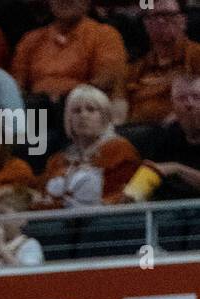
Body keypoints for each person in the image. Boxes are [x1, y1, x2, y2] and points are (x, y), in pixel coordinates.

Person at [34, 85, 140, 208]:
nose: (83, 115)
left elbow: (126, 195)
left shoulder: (120, 150)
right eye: (76, 111)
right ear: (69, 119)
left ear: (105, 116)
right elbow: (42, 197)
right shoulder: (57, 161)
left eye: (91, 109)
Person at [10, 0, 128, 110]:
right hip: (37, 112)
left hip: (83, 111)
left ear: (88, 2)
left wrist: (62, 98)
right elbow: (16, 85)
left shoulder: (105, 35)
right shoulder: (30, 39)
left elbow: (104, 82)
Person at [120, 0, 200, 126]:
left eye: (169, 15)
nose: (162, 21)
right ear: (146, 25)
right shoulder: (136, 69)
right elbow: (120, 106)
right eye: (155, 16)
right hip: (136, 133)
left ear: (183, 21)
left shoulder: (196, 56)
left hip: (180, 131)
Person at [145, 71, 200, 203]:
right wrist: (131, 195)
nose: (189, 104)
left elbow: (167, 169)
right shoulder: (165, 135)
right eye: (182, 98)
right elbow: (151, 170)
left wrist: (177, 169)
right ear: (172, 104)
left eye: (197, 97)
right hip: (168, 214)